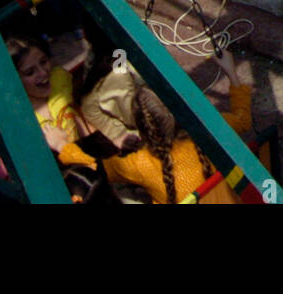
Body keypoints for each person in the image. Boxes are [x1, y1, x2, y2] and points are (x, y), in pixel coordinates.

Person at [59, 50, 252, 204]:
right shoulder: (209, 130)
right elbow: (243, 120)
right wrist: (231, 72)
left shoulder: (138, 163)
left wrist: (62, 146)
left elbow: (94, 164)